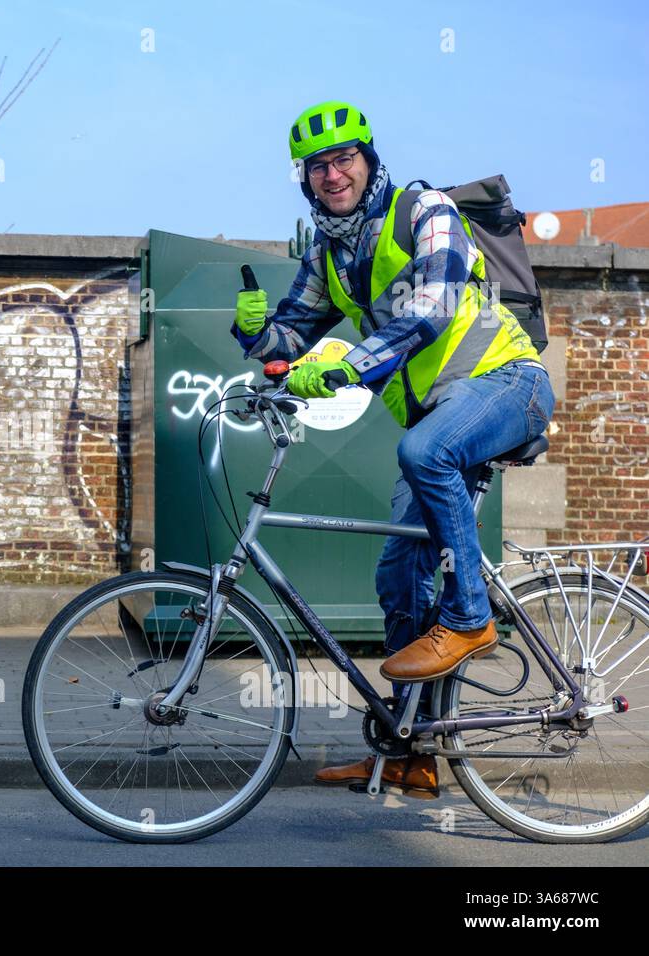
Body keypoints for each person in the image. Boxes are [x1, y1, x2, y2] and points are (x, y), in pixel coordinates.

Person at [231, 101, 555, 797]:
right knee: (400, 575)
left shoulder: (424, 210)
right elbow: (288, 341)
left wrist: (350, 365)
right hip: (446, 412)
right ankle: (412, 754)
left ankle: (470, 619)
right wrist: (253, 336)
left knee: (424, 452)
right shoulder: (331, 254)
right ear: (306, 181)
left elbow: (432, 305)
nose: (332, 174)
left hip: (506, 382)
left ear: (369, 160)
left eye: (344, 158)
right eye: (318, 167)